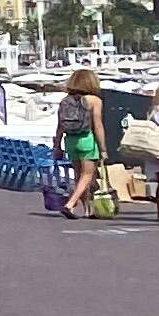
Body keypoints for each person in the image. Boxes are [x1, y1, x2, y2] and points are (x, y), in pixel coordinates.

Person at [56, 67, 107, 217]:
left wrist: (57, 146)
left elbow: (59, 126)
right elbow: (97, 125)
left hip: (70, 140)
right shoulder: (94, 100)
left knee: (79, 176)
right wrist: (103, 148)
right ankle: (70, 204)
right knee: (87, 175)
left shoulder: (65, 101)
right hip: (86, 139)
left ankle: (87, 210)